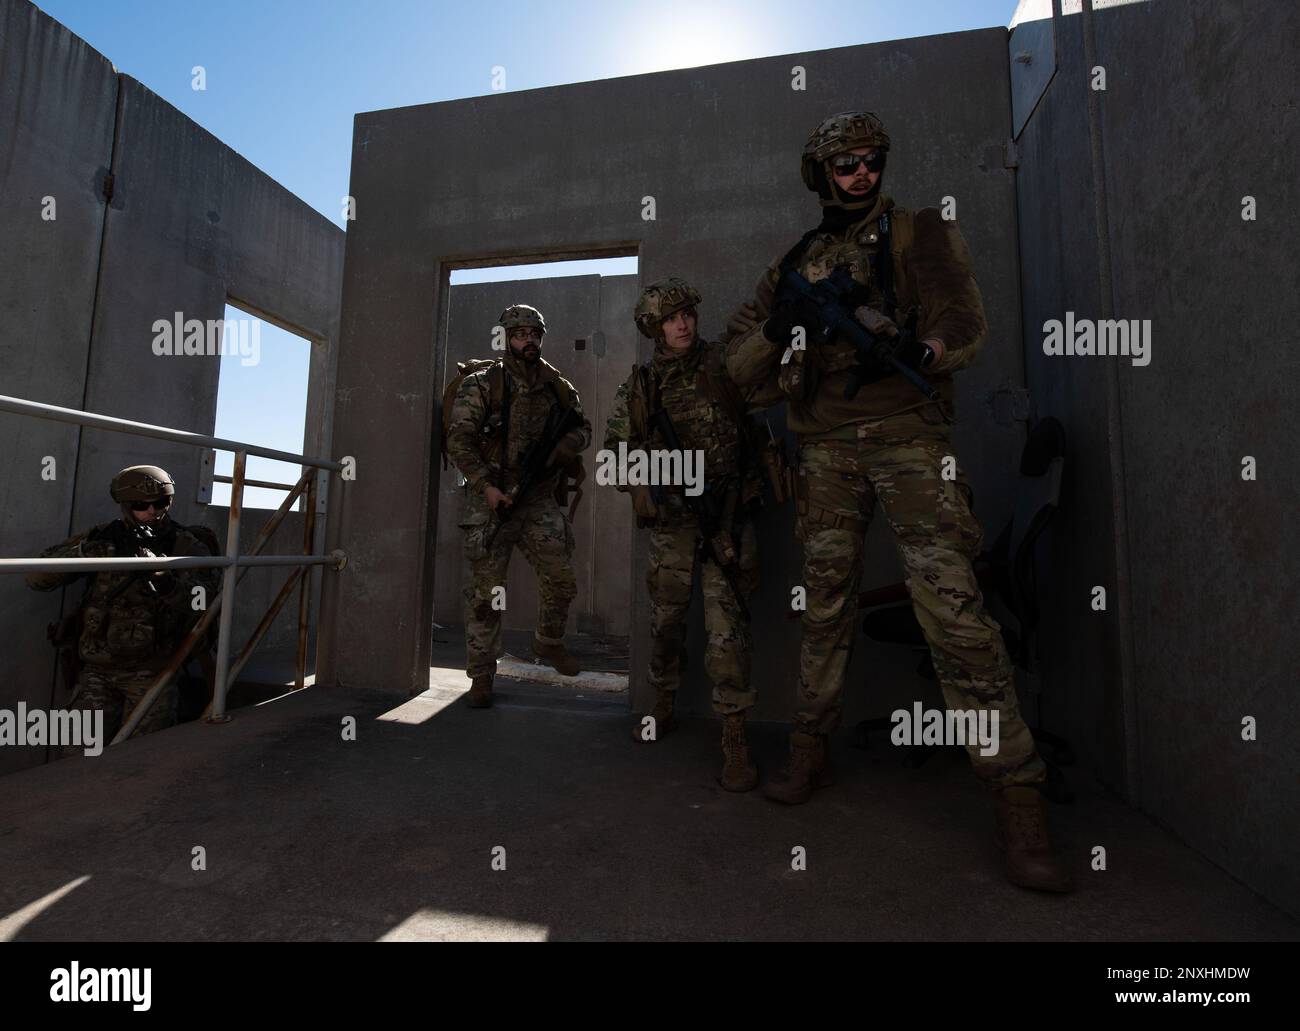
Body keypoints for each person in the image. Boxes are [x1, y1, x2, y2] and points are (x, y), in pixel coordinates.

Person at [723, 112, 1072, 891]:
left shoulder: (920, 231)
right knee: (823, 608)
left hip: (911, 439)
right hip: (824, 452)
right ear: (821, 172)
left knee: (954, 612)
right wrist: (783, 324)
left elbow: (963, 319)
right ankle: (809, 754)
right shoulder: (794, 262)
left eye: (871, 159)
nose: (860, 173)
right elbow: (738, 376)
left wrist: (928, 350)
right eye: (843, 163)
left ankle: (1019, 799)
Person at [605, 277, 772, 790]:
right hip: (674, 525)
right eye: (670, 319)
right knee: (666, 623)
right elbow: (614, 455)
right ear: (653, 328)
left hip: (725, 519)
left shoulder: (724, 363)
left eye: (687, 315)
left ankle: (735, 735)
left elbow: (767, 412)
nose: (682, 324)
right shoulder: (641, 385)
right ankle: (663, 704)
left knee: (728, 633)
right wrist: (644, 486)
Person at [444, 304, 592, 708]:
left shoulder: (556, 385)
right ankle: (482, 677)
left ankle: (548, 642)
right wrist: (486, 486)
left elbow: (583, 427)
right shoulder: (482, 383)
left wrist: (565, 447)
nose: (529, 340)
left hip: (538, 499)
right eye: (521, 333)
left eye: (535, 334)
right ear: (507, 337)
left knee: (561, 578)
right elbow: (459, 441)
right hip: (491, 502)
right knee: (486, 595)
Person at [25, 465, 220, 750]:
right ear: (126, 506)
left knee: (142, 760)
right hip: (98, 671)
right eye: (142, 505)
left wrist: (167, 583)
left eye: (161, 503)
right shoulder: (104, 537)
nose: (153, 511)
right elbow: (37, 578)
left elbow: (203, 602)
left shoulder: (186, 545)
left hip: (154, 672)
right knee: (75, 757)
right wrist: (85, 552)